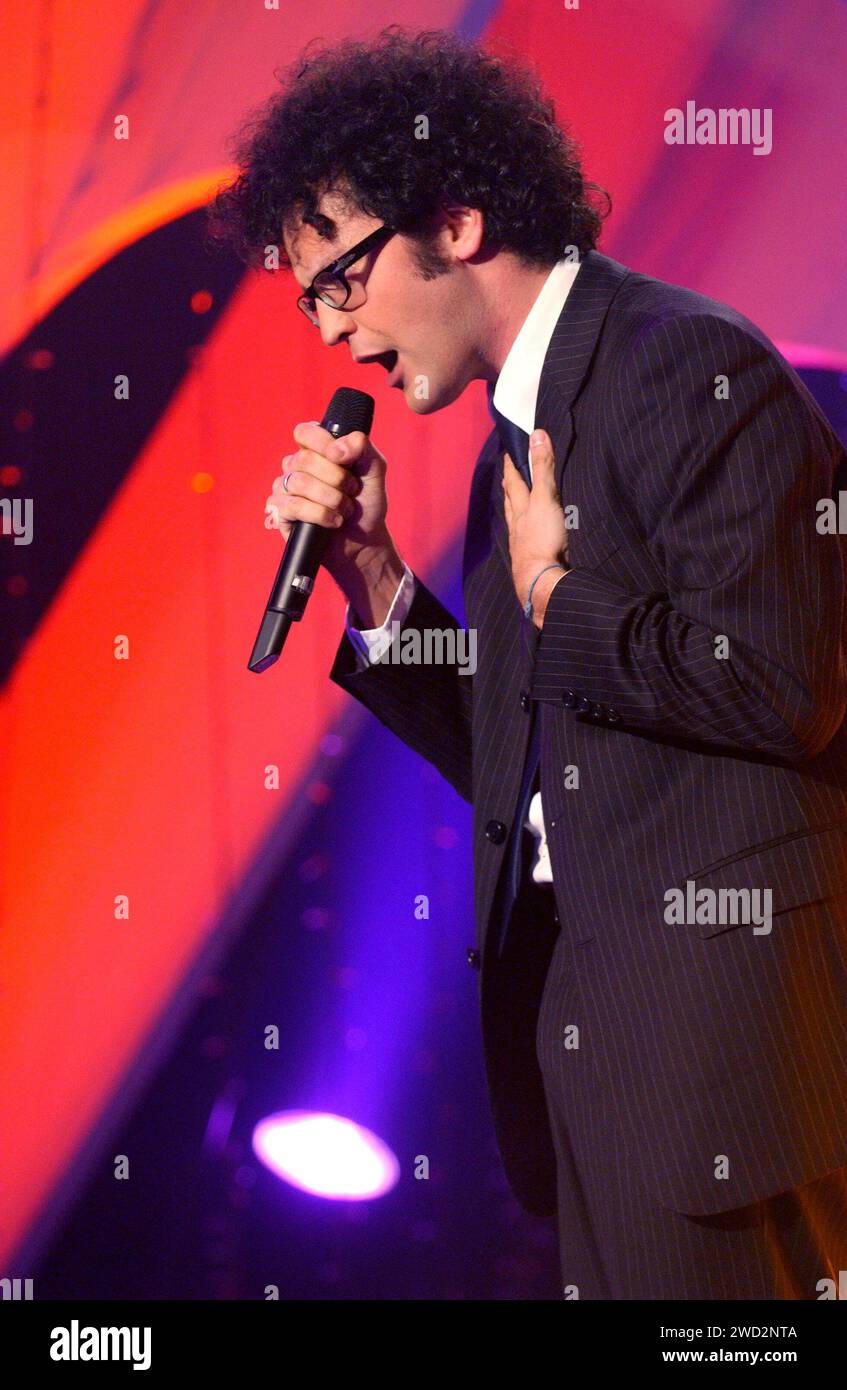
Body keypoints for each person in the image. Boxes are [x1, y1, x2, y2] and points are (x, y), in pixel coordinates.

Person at [209, 28, 847, 1299]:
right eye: (308, 298)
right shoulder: (529, 427)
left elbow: (785, 684)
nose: (335, 332)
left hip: (724, 1063)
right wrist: (379, 577)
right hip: (606, 1058)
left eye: (339, 278)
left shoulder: (683, 365)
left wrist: (557, 590)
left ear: (454, 220)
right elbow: (535, 749)